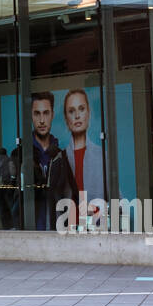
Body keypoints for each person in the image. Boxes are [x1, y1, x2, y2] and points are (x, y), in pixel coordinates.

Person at [28, 92, 77, 230]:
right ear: (31, 116)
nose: (42, 120)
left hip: (56, 230)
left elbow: (68, 195)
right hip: (29, 231)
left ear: (52, 115)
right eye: (37, 113)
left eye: (46, 113)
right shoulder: (23, 155)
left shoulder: (60, 156)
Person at [64, 88, 105, 229]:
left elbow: (119, 203)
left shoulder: (101, 155)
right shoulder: (60, 159)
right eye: (71, 111)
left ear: (88, 113)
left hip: (95, 229)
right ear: (66, 118)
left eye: (81, 109)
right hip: (66, 230)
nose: (76, 116)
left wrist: (97, 208)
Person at [0, 147, 21, 229]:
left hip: (6, 186)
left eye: (1, 153)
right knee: (2, 209)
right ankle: (5, 226)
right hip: (0, 187)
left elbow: (13, 174)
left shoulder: (9, 161)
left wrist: (10, 185)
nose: (0, 155)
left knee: (10, 207)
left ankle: (12, 226)